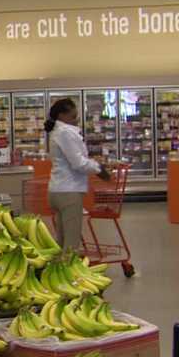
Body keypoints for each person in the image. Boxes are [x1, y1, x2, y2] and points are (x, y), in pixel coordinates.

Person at [45, 97, 106, 251]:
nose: (77, 119)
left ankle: (59, 271)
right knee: (71, 243)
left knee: (62, 240)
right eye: (73, 116)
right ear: (61, 116)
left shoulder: (58, 132)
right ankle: (70, 273)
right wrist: (99, 169)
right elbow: (78, 163)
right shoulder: (65, 133)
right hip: (68, 192)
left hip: (58, 190)